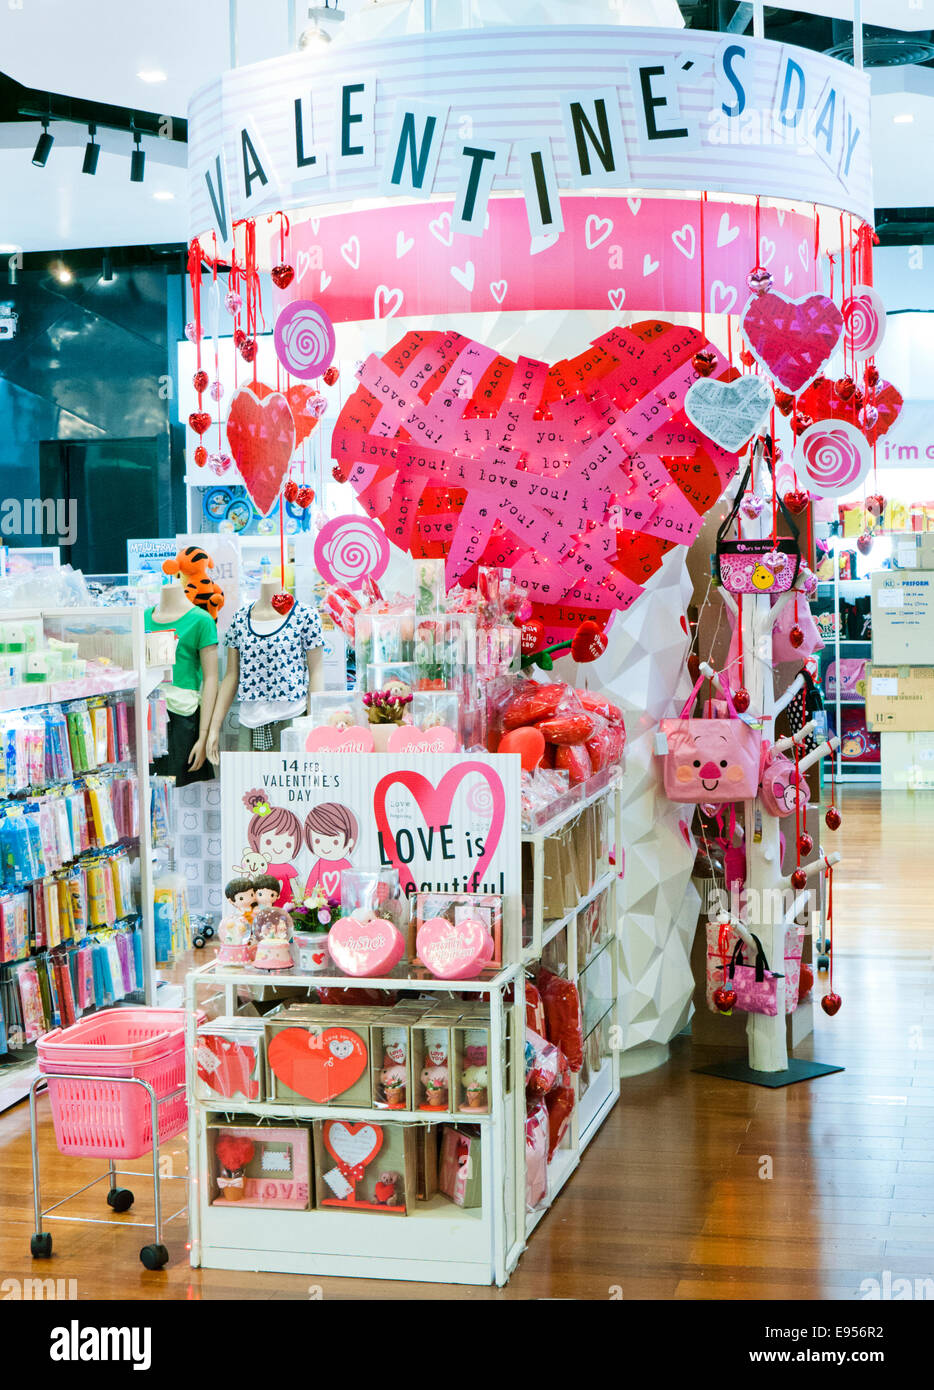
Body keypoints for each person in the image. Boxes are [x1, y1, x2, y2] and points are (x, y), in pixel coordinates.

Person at [303, 802, 359, 903]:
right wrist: (306, 901)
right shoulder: (320, 863)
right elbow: (311, 882)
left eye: (335, 842)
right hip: (322, 906)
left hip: (343, 905)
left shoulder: (346, 864)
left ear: (350, 842)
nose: (326, 847)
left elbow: (354, 884)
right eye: (318, 841)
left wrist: (356, 901)